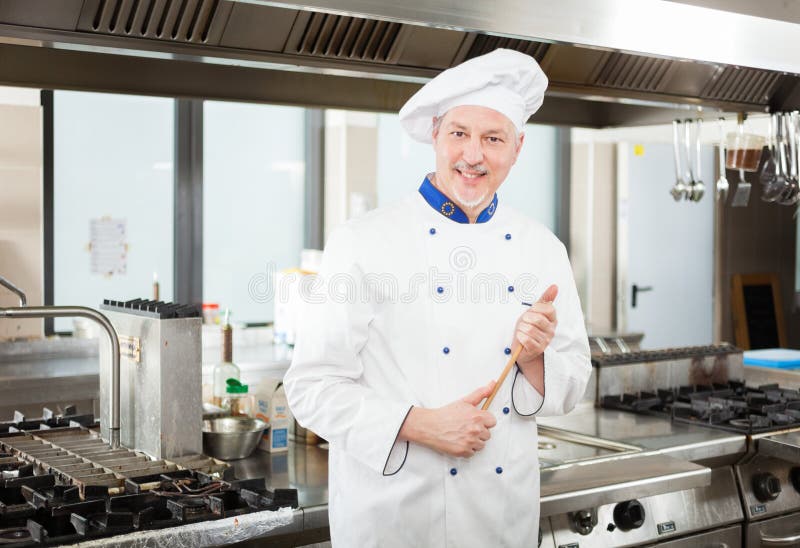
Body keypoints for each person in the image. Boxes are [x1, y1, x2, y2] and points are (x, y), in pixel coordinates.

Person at [284, 48, 591, 547]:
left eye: (493, 138)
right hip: (392, 520)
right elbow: (311, 387)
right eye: (459, 134)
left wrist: (535, 360)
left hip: (500, 521)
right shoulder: (363, 241)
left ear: (518, 147)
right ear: (435, 135)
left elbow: (574, 377)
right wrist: (420, 424)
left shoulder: (542, 248)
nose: (473, 155)